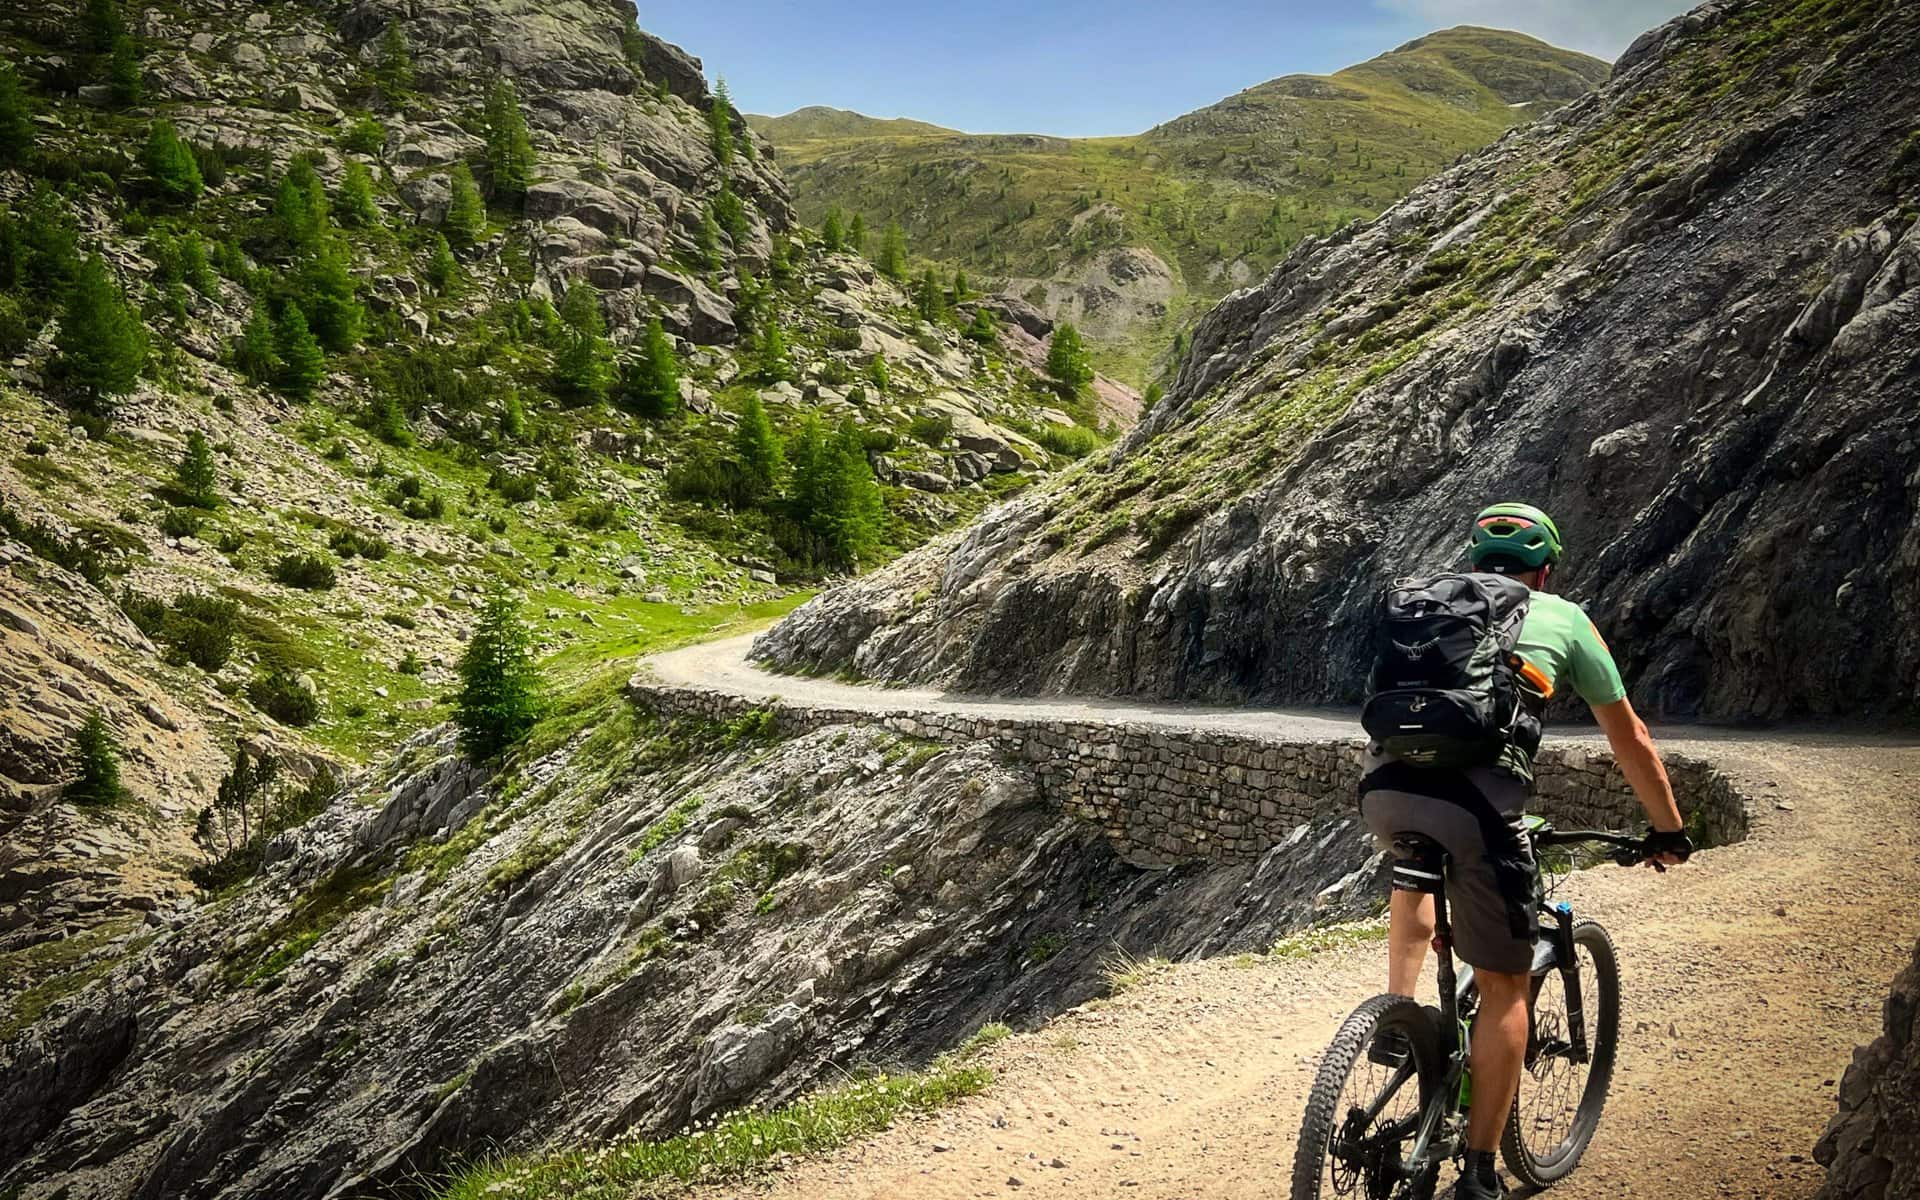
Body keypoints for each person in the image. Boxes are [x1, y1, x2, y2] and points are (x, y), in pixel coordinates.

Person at [1358, 502, 1694, 1200]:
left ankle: (1397, 1020)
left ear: (1475, 561)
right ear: (1547, 568)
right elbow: (1629, 737)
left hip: (1385, 789)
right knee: (1507, 983)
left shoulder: (1428, 606)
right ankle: (1480, 1172)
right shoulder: (1564, 619)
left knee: (1415, 871)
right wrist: (1667, 828)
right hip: (1477, 805)